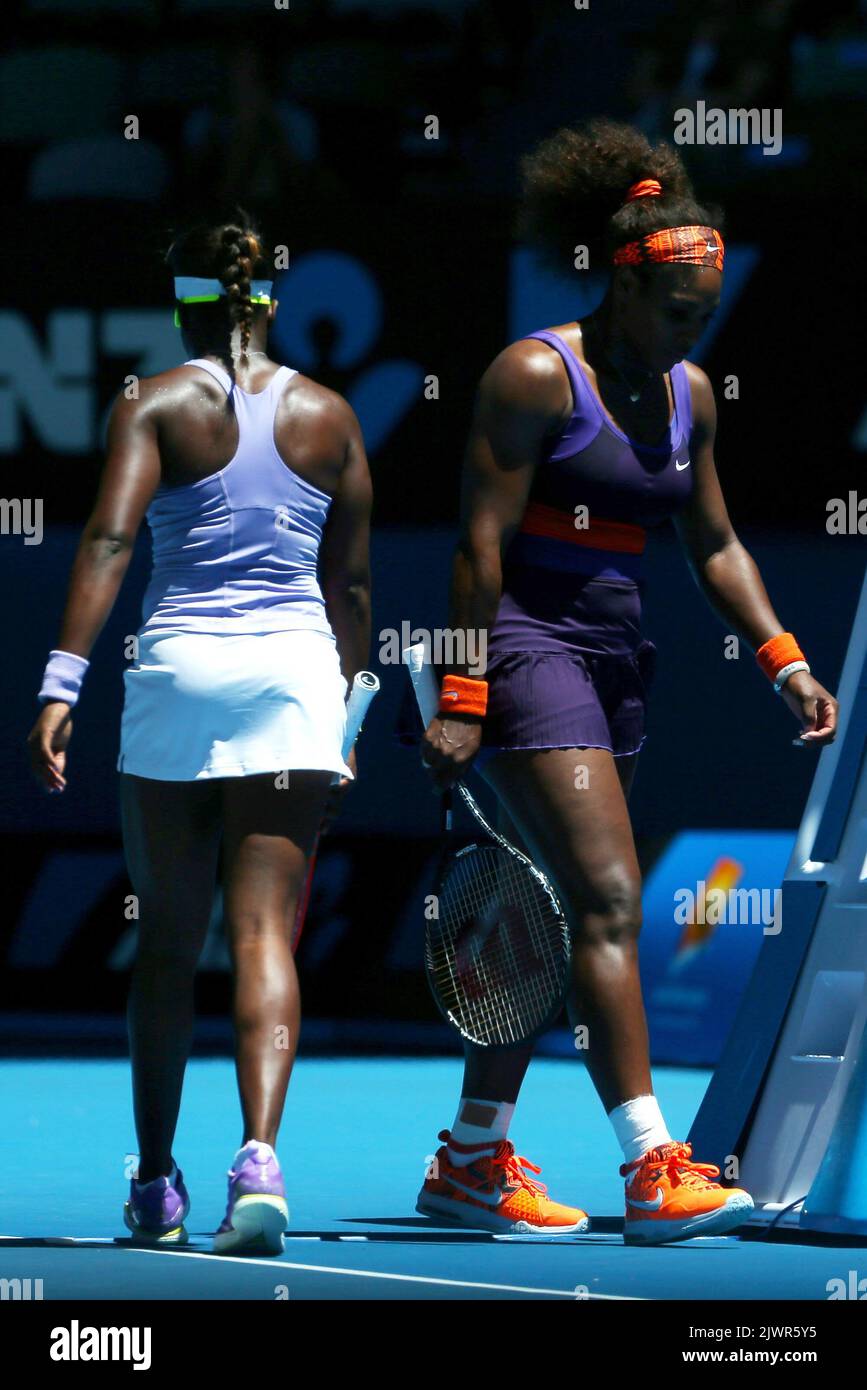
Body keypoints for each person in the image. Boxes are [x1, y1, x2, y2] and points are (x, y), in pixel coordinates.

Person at [416, 118, 838, 1245]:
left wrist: (782, 657)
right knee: (606, 898)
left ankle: (467, 1161)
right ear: (618, 280)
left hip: (616, 660)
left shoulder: (694, 394)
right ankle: (654, 1166)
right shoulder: (532, 376)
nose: (690, 330)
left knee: (549, 910)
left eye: (705, 314)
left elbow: (716, 545)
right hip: (521, 648)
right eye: (674, 310)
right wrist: (462, 694)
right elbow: (477, 548)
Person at [28, 213, 372, 1256]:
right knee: (266, 933)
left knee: (169, 947)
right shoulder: (332, 414)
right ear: (267, 299)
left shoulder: (152, 401)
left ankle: (154, 1184)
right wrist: (344, 712)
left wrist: (61, 683)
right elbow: (350, 586)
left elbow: (110, 537)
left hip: (177, 676)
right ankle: (259, 1160)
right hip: (294, 682)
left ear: (180, 306)